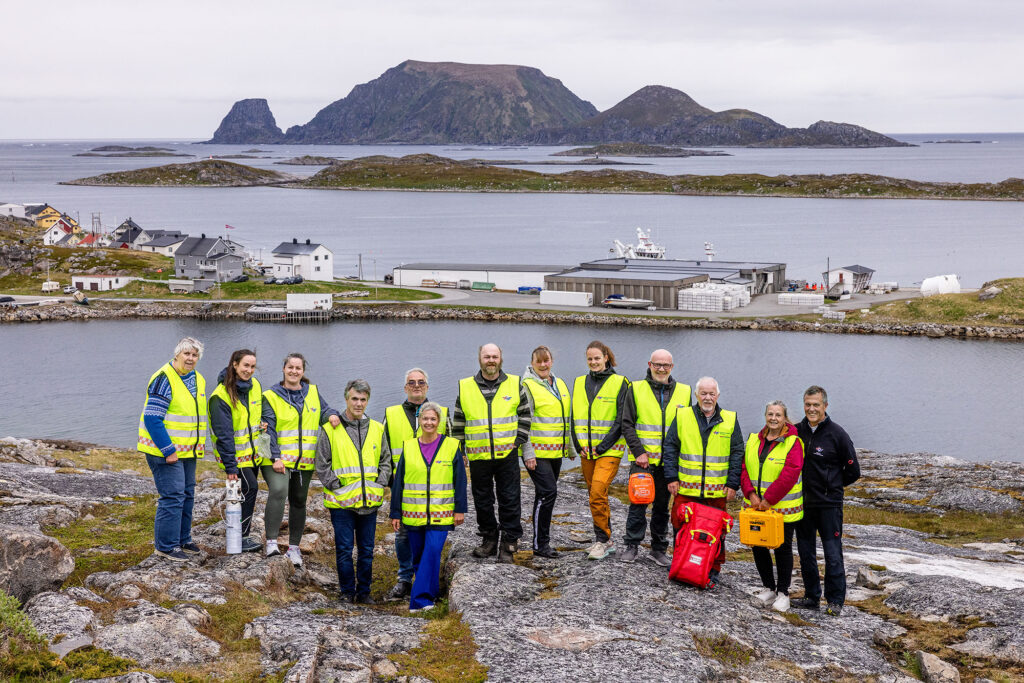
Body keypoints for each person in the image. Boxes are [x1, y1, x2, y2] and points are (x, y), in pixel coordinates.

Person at [452, 343, 531, 563]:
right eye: (487, 356)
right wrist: (460, 451)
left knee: (510, 499)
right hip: (478, 456)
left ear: (501, 358)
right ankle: (489, 539)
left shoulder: (515, 384)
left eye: (494, 356)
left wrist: (519, 440)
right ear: (480, 358)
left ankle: (509, 543)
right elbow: (459, 421)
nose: (491, 360)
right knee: (482, 500)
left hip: (507, 454)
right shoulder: (466, 386)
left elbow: (526, 414)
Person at [663, 376, 744, 589]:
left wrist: (733, 483)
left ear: (718, 395)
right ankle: (680, 562)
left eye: (711, 394)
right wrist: (671, 477)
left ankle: (713, 569)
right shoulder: (682, 416)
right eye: (703, 393)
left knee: (717, 532)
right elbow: (670, 447)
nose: (707, 397)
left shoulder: (729, 418)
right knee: (680, 527)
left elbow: (737, 452)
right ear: (697, 395)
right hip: (686, 487)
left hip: (716, 491)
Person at [315, 379, 390, 604]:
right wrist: (336, 485)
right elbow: (321, 463)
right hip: (341, 503)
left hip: (369, 502)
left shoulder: (377, 428)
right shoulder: (330, 429)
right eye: (354, 399)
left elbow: (385, 460)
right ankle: (347, 592)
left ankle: (364, 592)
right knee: (345, 549)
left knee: (367, 550)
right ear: (346, 399)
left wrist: (380, 481)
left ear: (368, 401)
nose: (358, 404)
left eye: (363, 399)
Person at [262, 353, 341, 565]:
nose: (294, 371)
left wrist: (332, 415)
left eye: (298, 368)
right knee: (279, 490)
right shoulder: (270, 395)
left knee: (299, 500)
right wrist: (274, 456)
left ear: (303, 371)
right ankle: (271, 543)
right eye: (290, 367)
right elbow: (267, 428)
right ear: (284, 369)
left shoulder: (312, 392)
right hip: (276, 460)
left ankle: (293, 548)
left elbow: (325, 410)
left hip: (304, 461)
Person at [390, 402, 467, 611]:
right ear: (420, 421)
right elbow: (399, 482)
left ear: (439, 422)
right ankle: (431, 595)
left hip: (441, 514)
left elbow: (460, 480)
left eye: (433, 419)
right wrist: (395, 512)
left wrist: (460, 509)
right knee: (419, 557)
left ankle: (419, 601)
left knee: (432, 551)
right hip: (412, 514)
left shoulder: (451, 446)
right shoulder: (409, 446)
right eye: (425, 419)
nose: (429, 422)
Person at [138, 337, 208, 562]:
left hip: (188, 451)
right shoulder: (164, 378)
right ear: (177, 354)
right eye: (186, 354)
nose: (190, 359)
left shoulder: (198, 379)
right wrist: (168, 450)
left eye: (195, 355)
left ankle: (183, 539)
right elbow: (152, 418)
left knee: (187, 494)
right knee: (173, 496)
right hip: (165, 452)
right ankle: (166, 547)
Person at [792, 386, 860, 617]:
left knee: (832, 553)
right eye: (808, 404)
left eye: (816, 405)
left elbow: (853, 471)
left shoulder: (837, 434)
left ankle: (835, 599)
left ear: (825, 406)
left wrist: (833, 487)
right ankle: (811, 596)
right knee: (805, 551)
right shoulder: (795, 431)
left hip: (829, 506)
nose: (811, 409)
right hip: (803, 504)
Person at [383, 368, 450, 600]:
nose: (416, 386)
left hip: (435, 490)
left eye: (421, 382)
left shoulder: (442, 414)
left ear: (427, 387)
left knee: (430, 536)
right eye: (411, 382)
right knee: (403, 534)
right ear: (405, 387)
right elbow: (384, 450)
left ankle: (426, 580)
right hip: (405, 488)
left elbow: (452, 451)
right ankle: (404, 579)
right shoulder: (391, 414)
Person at [619, 349, 691, 567]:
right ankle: (632, 545)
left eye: (666, 365)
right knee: (638, 503)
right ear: (649, 364)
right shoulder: (636, 389)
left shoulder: (685, 392)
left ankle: (658, 549)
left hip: (668, 462)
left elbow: (687, 428)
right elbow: (627, 423)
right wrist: (639, 452)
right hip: (643, 460)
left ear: (672, 367)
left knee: (662, 505)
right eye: (657, 364)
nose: (661, 369)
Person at [209, 349, 283, 554]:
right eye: (245, 366)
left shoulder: (255, 386)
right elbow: (223, 435)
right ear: (234, 364)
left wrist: (262, 427)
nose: (249, 370)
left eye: (252, 366)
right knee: (250, 489)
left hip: (254, 454)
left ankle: (242, 535)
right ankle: (241, 537)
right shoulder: (220, 396)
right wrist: (230, 466)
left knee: (249, 491)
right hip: (235, 458)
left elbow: (254, 417)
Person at [740, 400, 804, 613]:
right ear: (765, 416)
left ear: (785, 418)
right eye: (770, 414)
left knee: (782, 548)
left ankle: (783, 593)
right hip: (756, 507)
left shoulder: (793, 442)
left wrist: (768, 500)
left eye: (778, 415)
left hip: (782, 509)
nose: (773, 418)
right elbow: (744, 467)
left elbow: (790, 473)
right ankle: (769, 587)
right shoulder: (753, 440)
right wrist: (750, 493)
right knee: (758, 545)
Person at [571, 340, 630, 561]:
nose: (593, 362)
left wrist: (602, 447)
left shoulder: (620, 382)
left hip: (609, 450)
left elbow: (621, 420)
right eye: (590, 359)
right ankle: (605, 539)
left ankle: (604, 542)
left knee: (597, 491)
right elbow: (574, 417)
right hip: (586, 452)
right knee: (595, 496)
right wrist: (578, 447)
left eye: (597, 358)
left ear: (606, 357)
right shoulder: (578, 382)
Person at [522, 346, 577, 559]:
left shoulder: (560, 383)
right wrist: (527, 453)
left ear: (552, 361)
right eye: (539, 361)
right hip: (536, 451)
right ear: (532, 363)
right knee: (548, 493)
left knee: (544, 495)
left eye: (547, 361)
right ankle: (540, 544)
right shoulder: (527, 386)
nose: (544, 365)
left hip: (555, 452)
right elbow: (524, 420)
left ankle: (541, 541)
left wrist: (569, 447)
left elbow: (565, 418)